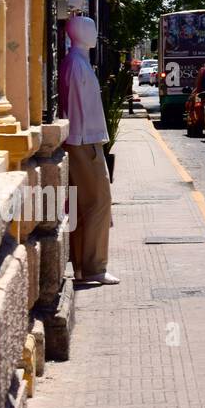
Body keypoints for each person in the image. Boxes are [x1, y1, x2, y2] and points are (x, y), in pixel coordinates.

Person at [58, 15, 119, 286]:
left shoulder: (78, 63)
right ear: (79, 33)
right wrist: (83, 142)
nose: (95, 33)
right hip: (84, 141)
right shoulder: (77, 65)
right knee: (98, 203)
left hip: (85, 140)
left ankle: (84, 265)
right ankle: (94, 265)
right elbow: (75, 106)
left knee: (86, 205)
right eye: (90, 28)